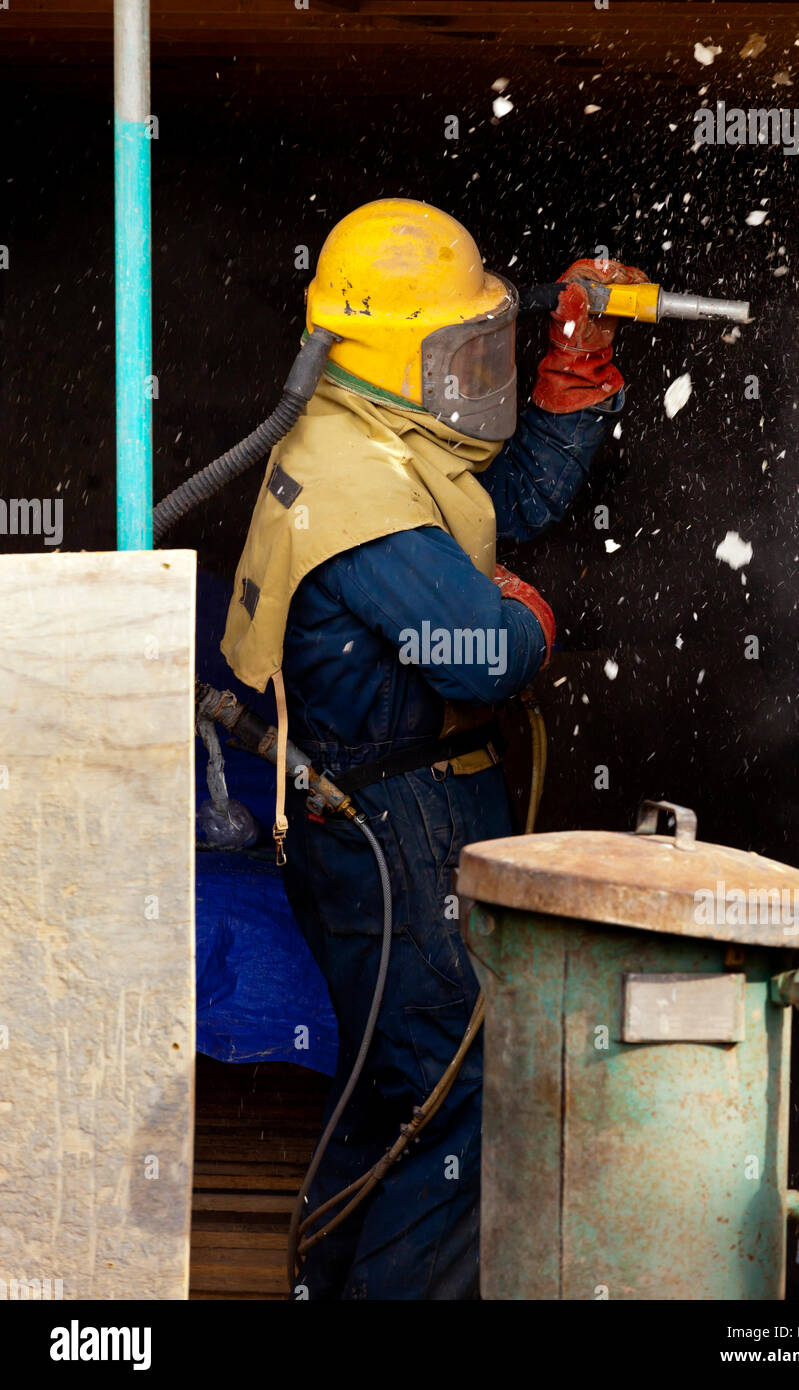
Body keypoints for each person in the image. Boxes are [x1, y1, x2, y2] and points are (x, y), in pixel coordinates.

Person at [221, 198, 646, 1299]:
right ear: (387, 351)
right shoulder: (355, 492)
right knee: (461, 1094)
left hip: (388, 814)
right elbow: (482, 658)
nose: (471, 362)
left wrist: (567, 386)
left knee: (394, 1098)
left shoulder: (374, 440)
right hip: (397, 833)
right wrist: (523, 622)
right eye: (450, 343)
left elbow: (491, 507)